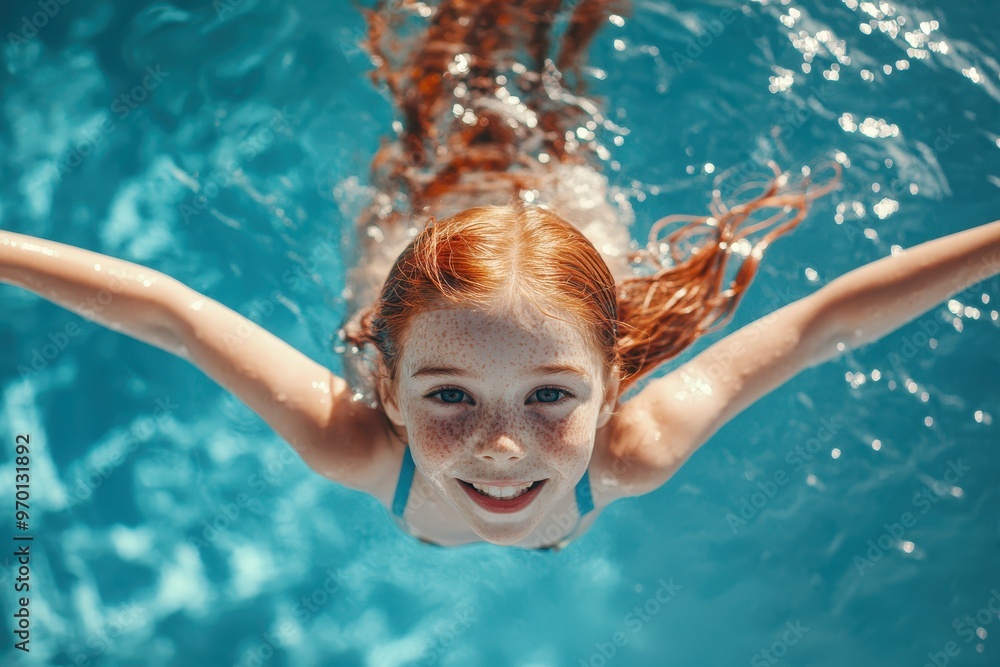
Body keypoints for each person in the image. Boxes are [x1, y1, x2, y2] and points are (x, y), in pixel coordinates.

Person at [1, 0, 997, 553]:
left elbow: (829, 321)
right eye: (445, 396)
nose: (502, 445)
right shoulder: (381, 442)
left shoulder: (610, 446)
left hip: (512, 255)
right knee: (478, 106)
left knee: (488, 100)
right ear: (383, 382)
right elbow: (169, 313)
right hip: (454, 257)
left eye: (554, 394)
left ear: (615, 373)